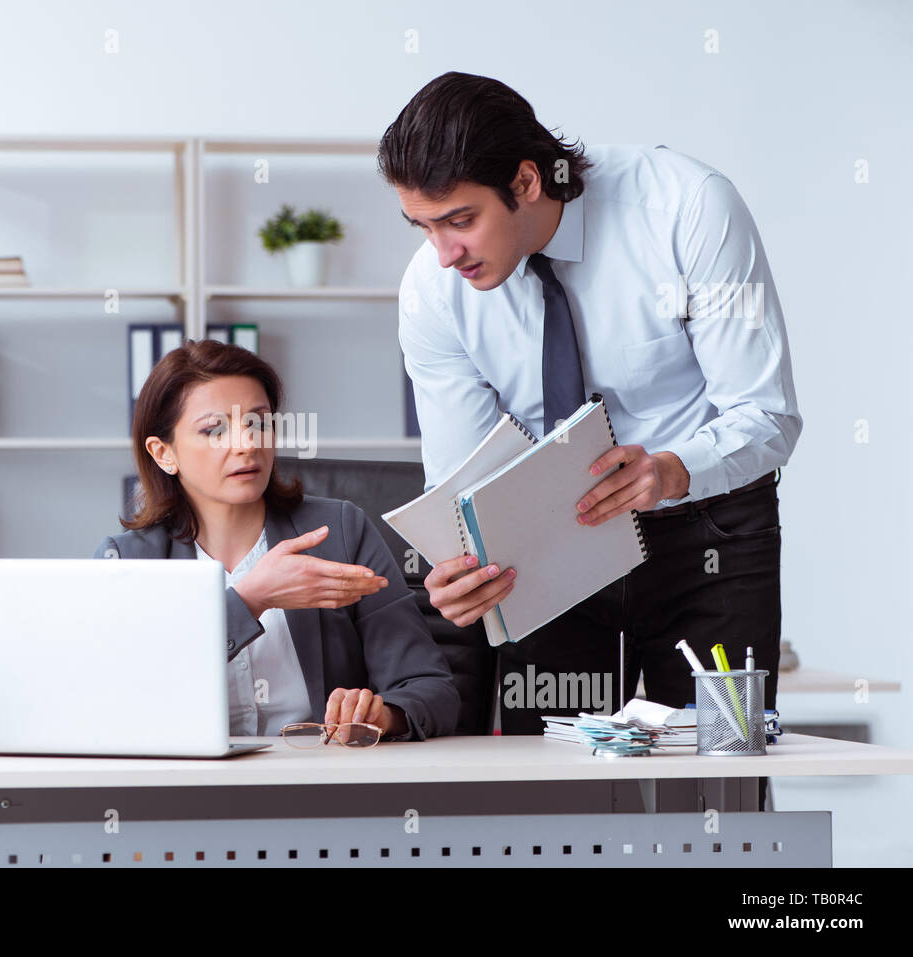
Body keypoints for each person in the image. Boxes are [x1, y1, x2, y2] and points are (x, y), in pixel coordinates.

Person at [378, 72, 802, 735]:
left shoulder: (687, 208)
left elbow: (767, 416)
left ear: (525, 182)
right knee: (548, 787)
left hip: (708, 530)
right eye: (424, 226)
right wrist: (455, 571)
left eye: (461, 220)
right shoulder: (432, 293)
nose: (444, 253)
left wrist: (671, 469)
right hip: (548, 546)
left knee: (721, 773)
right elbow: (460, 484)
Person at [93, 339, 459, 741]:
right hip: (186, 792)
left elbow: (433, 690)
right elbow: (118, 700)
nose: (247, 444)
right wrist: (249, 601)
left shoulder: (340, 531)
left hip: (322, 784)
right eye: (215, 430)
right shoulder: (127, 563)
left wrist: (383, 715)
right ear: (164, 453)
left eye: (258, 422)